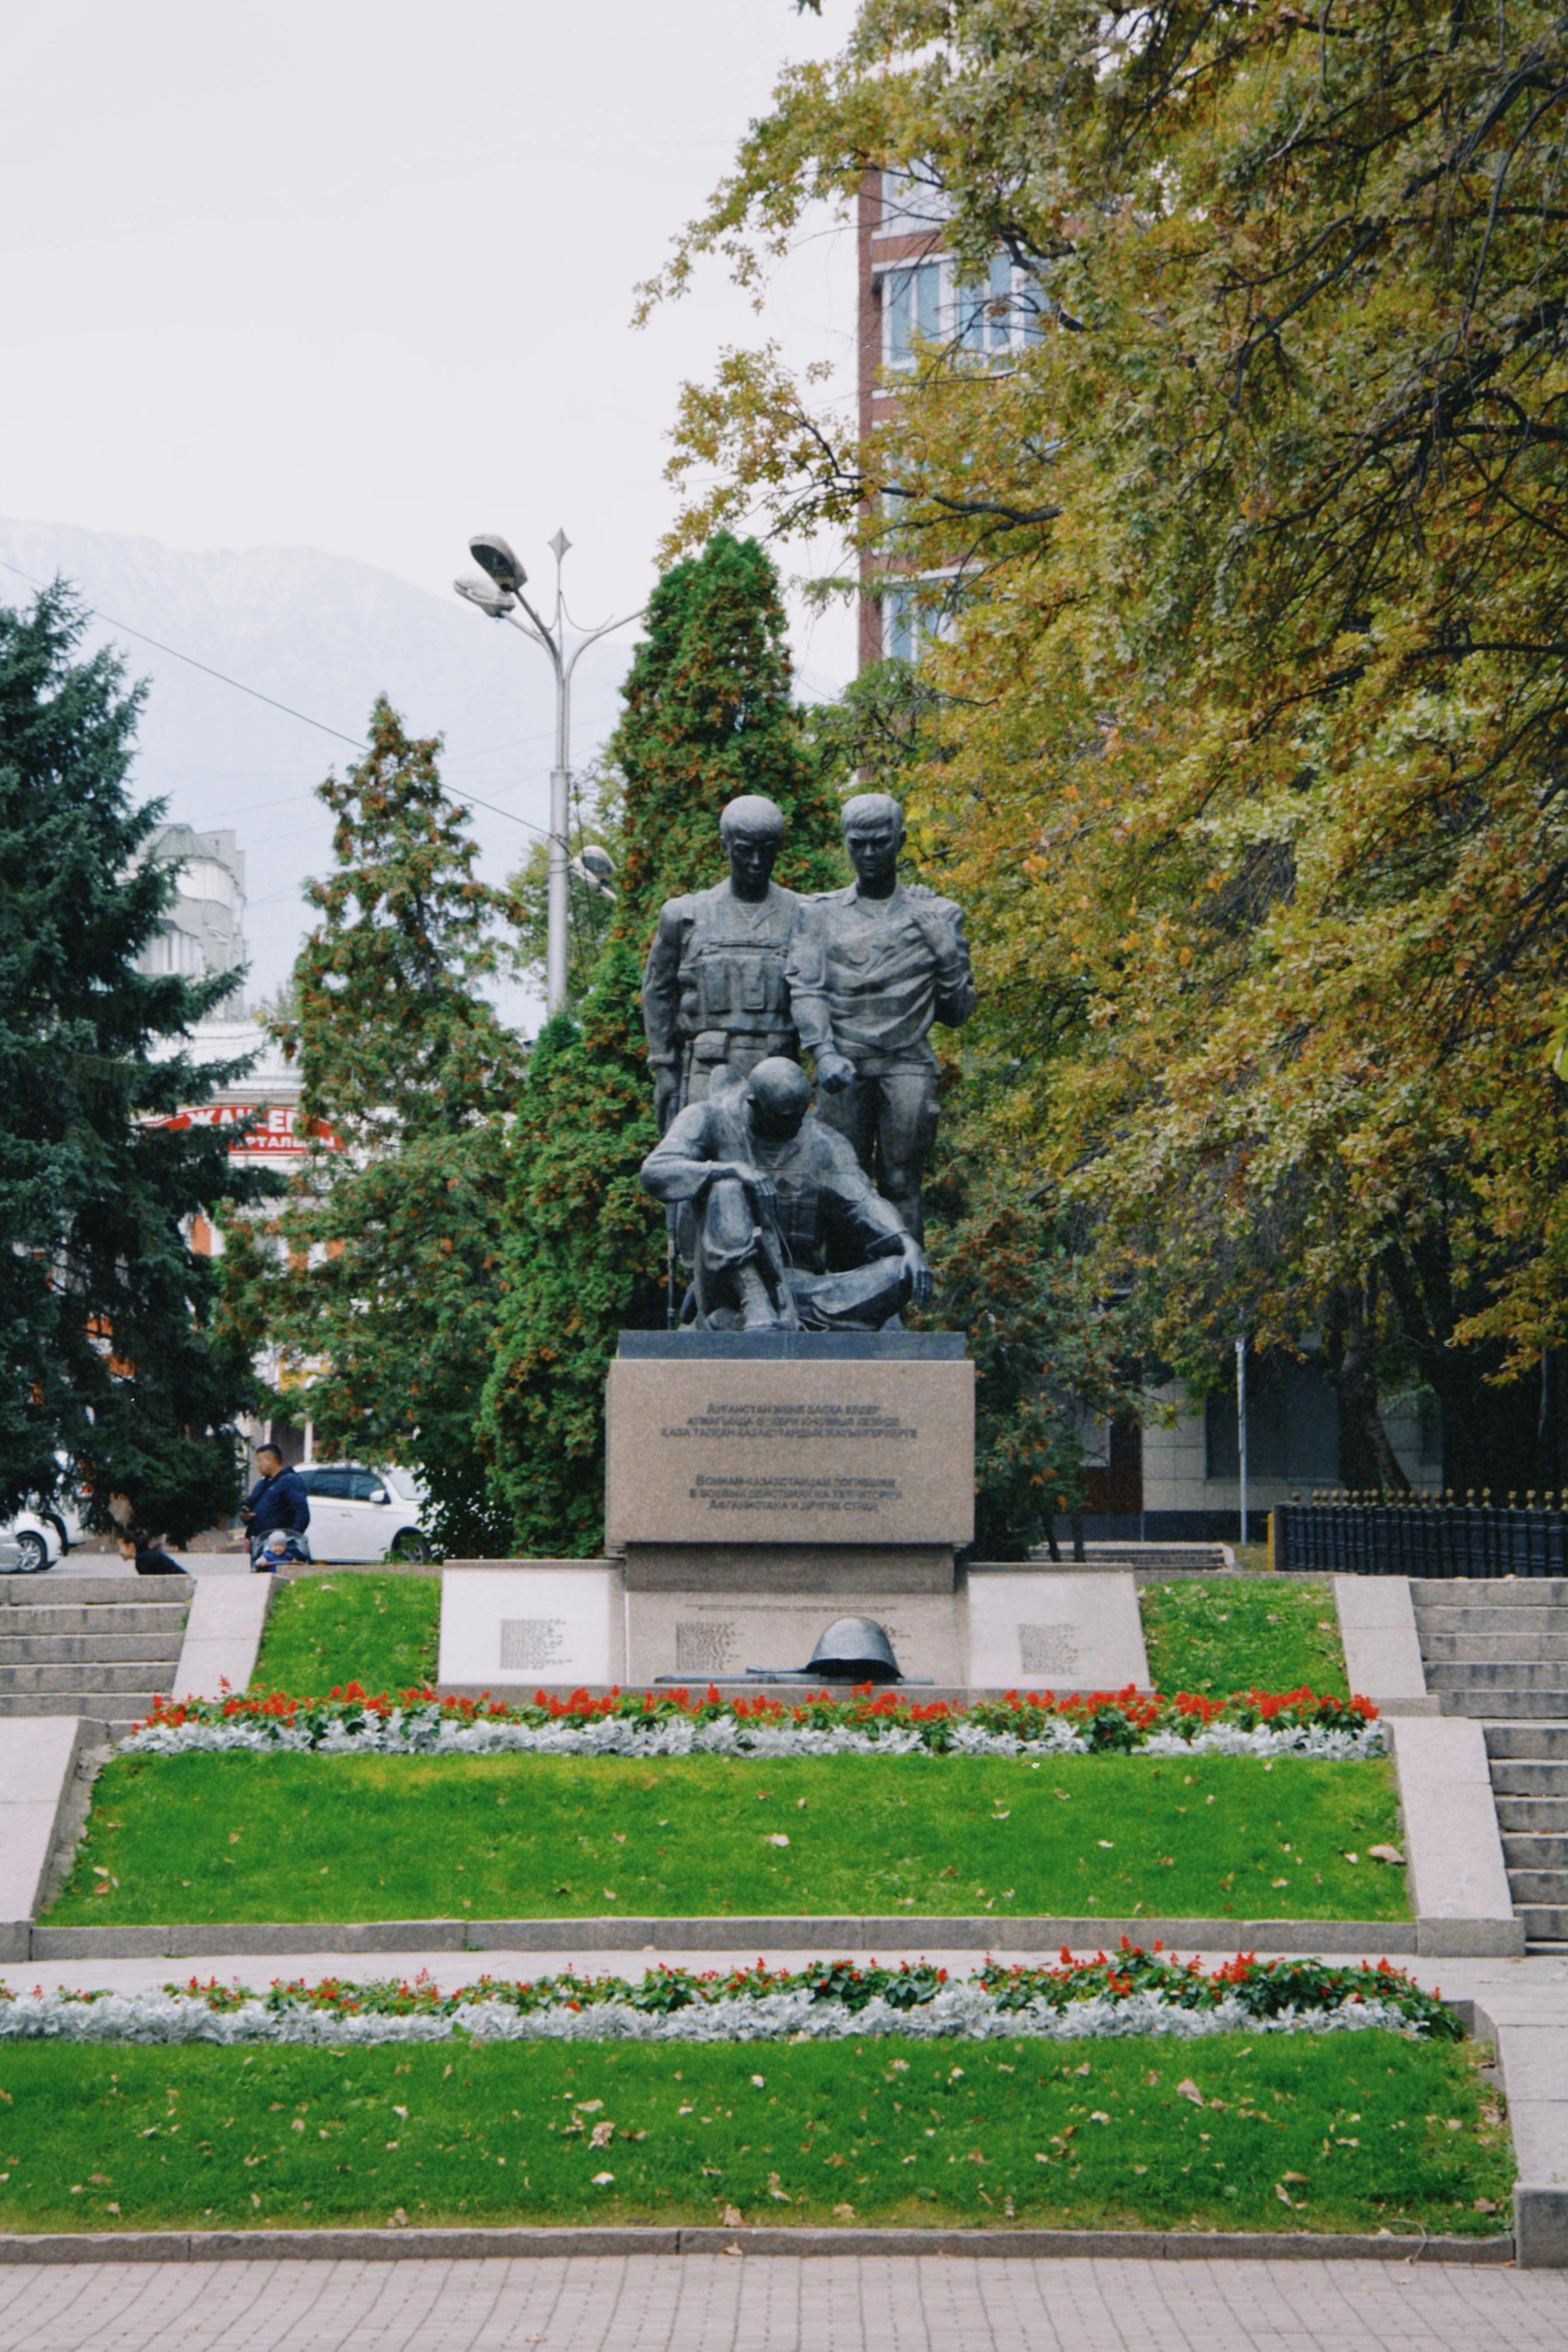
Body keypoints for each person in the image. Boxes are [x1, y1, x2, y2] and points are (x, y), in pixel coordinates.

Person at [794, 792, 975, 1241]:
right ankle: (844, 1290)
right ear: (845, 843)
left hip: (907, 1064)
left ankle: (898, 1294)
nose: (870, 853)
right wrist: (823, 1051)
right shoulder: (818, 915)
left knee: (901, 1182)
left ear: (901, 841)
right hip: (844, 1065)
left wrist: (947, 954)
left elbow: (958, 1014)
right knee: (840, 1183)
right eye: (859, 843)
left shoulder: (938, 915)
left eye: (880, 842)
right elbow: (806, 988)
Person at [640, 1057, 931, 1331]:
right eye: (786, 1117)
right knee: (727, 1187)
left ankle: (763, 1320)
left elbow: (864, 1202)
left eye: (801, 1114)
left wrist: (905, 1242)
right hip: (726, 1281)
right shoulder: (709, 1118)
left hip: (800, 1285)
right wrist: (726, 1169)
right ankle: (753, 1303)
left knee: (901, 1273)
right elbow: (655, 1172)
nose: (797, 1125)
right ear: (754, 1104)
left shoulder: (824, 1143)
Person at [640, 795, 830, 1132]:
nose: (757, 862)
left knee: (779, 1176)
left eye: (767, 850)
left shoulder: (803, 914)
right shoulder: (685, 915)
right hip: (708, 1070)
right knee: (710, 1168)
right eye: (745, 850)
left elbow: (822, 992)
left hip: (779, 1072)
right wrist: (664, 1067)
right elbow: (657, 991)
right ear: (724, 845)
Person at [242, 1443, 311, 1572]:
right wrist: (246, 1517)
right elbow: (250, 1508)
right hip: (259, 1545)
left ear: (271, 1461)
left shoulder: (291, 1481)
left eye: (260, 1461)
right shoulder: (262, 1485)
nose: (258, 1465)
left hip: (281, 1548)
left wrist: (292, 1538)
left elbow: (302, 1513)